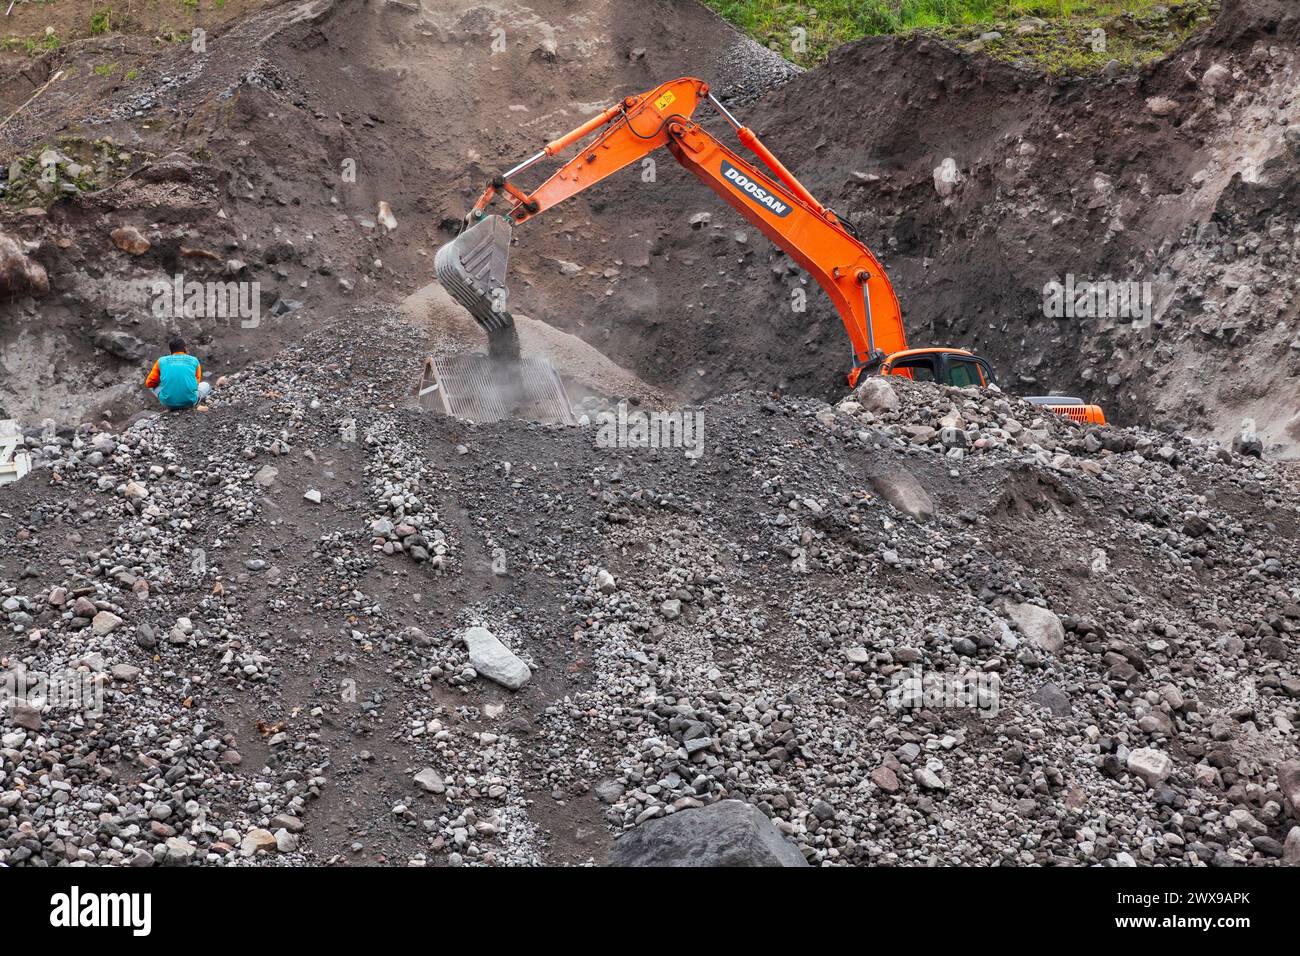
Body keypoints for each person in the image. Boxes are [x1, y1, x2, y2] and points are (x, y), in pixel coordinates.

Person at [144, 337, 211, 409]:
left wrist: (164, 382)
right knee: (206, 385)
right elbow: (196, 383)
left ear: (171, 351)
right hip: (189, 402)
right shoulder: (194, 360)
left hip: (168, 404)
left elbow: (149, 383)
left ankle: (170, 400)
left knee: (153, 386)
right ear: (185, 348)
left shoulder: (161, 361)